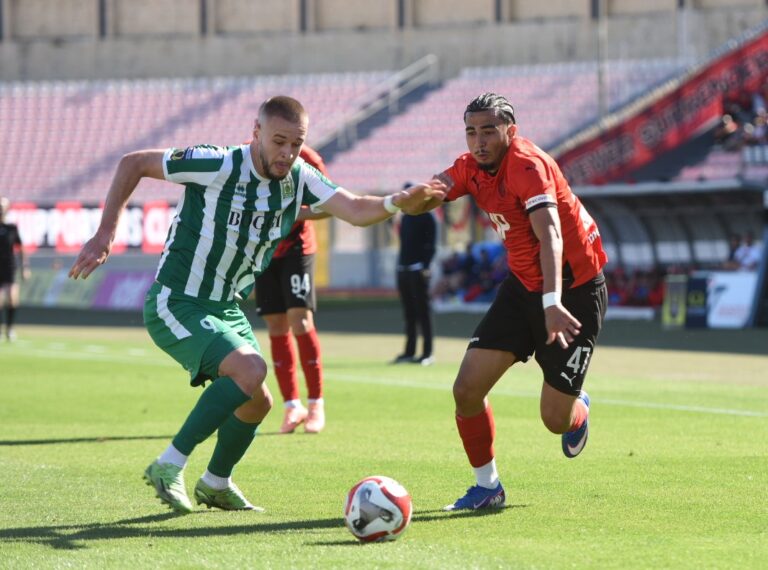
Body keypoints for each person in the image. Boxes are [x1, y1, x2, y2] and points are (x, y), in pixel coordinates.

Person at [68, 95, 444, 514]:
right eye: (279, 141)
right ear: (256, 133)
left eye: (296, 144)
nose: (287, 153)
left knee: (258, 401)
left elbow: (353, 208)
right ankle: (168, 465)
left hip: (227, 306)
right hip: (178, 300)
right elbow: (133, 162)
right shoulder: (218, 164)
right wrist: (105, 234)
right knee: (251, 370)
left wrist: (397, 202)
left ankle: (215, 482)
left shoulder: (299, 176)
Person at [422, 93, 608, 511]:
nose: (479, 141)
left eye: (489, 130)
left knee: (554, 419)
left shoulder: (528, 166)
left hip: (573, 293)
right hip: (523, 287)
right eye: (472, 132)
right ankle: (488, 487)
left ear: (511, 130)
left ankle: (579, 406)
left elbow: (552, 237)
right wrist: (391, 204)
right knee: (467, 389)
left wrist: (552, 301)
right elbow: (433, 190)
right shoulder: (470, 167)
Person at [255, 145, 328, 434]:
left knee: (300, 319)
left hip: (298, 249)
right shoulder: (247, 156)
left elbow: (329, 205)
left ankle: (315, 404)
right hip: (265, 251)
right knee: (275, 323)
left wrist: (290, 214)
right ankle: (291, 406)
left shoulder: (309, 159)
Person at [392, 182, 437, 366]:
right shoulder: (405, 217)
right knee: (409, 313)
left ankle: (427, 353)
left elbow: (431, 245)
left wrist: (425, 266)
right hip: (403, 268)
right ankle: (409, 352)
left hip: (418, 269)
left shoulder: (427, 216)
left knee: (423, 313)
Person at [0, 197, 29, 341]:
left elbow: (21, 247)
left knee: (12, 299)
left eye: (3, 206)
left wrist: (25, 267)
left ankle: (10, 329)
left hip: (9, 266)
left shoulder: (12, 228)